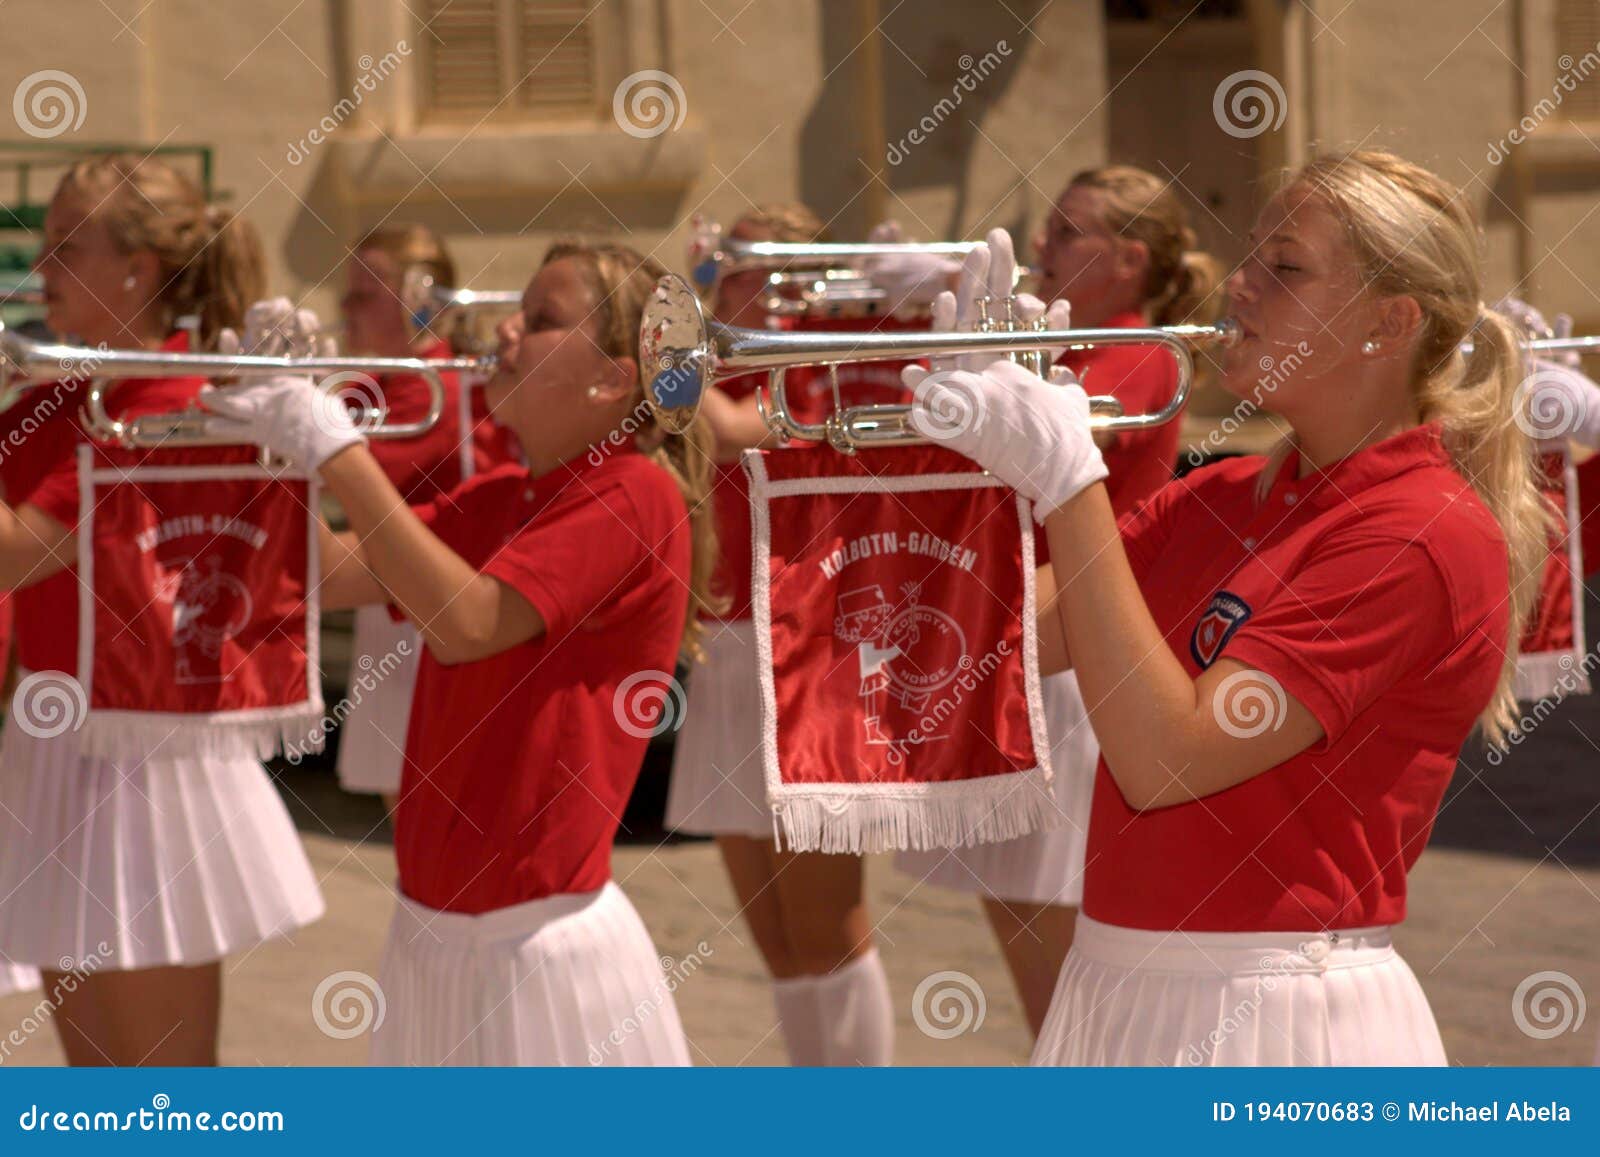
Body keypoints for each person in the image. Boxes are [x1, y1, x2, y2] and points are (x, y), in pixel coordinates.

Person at [905, 148, 1547, 1066]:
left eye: (1284, 267)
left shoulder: (1421, 531)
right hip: (1116, 987)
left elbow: (1168, 759)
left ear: (1388, 322)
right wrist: (972, 459)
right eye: (1252, 256)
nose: (1239, 284)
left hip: (1274, 1017)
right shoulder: (1221, 494)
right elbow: (970, 647)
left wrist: (1070, 479)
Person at [203, 242, 713, 1066]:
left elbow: (468, 623)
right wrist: (266, 450)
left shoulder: (635, 491)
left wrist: (335, 447)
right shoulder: (507, 495)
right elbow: (325, 578)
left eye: (541, 319)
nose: (505, 328)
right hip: (432, 929)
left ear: (613, 379)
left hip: (540, 949)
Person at [0, 154, 324, 1065]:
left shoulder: (173, 405)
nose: (40, 274)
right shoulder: (62, 397)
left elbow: (20, 547)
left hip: (143, 753)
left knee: (167, 1093)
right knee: (97, 1087)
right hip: (53, 738)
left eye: (67, 247)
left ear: (137, 271)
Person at [897, 166, 1224, 1036]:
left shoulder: (1145, 348)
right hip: (1034, 637)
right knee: (1020, 919)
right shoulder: (1066, 340)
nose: (1040, 245)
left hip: (1087, 658)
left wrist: (998, 371)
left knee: (1066, 950)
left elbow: (1077, 432)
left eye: (1064, 231)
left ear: (1125, 258)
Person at [664, 205, 913, 1065]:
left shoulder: (818, 372)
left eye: (755, 267)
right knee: (774, 936)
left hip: (806, 654)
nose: (735, 283)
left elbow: (725, 432)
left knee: (826, 930)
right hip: (731, 646)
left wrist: (660, 343)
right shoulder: (726, 367)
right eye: (726, 265)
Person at [333, 223, 512, 808]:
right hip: (389, 616)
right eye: (349, 290)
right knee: (409, 824)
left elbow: (357, 469)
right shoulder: (378, 381)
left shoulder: (448, 385)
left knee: (440, 820)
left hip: (434, 621)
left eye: (367, 291)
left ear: (419, 296)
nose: (346, 306)